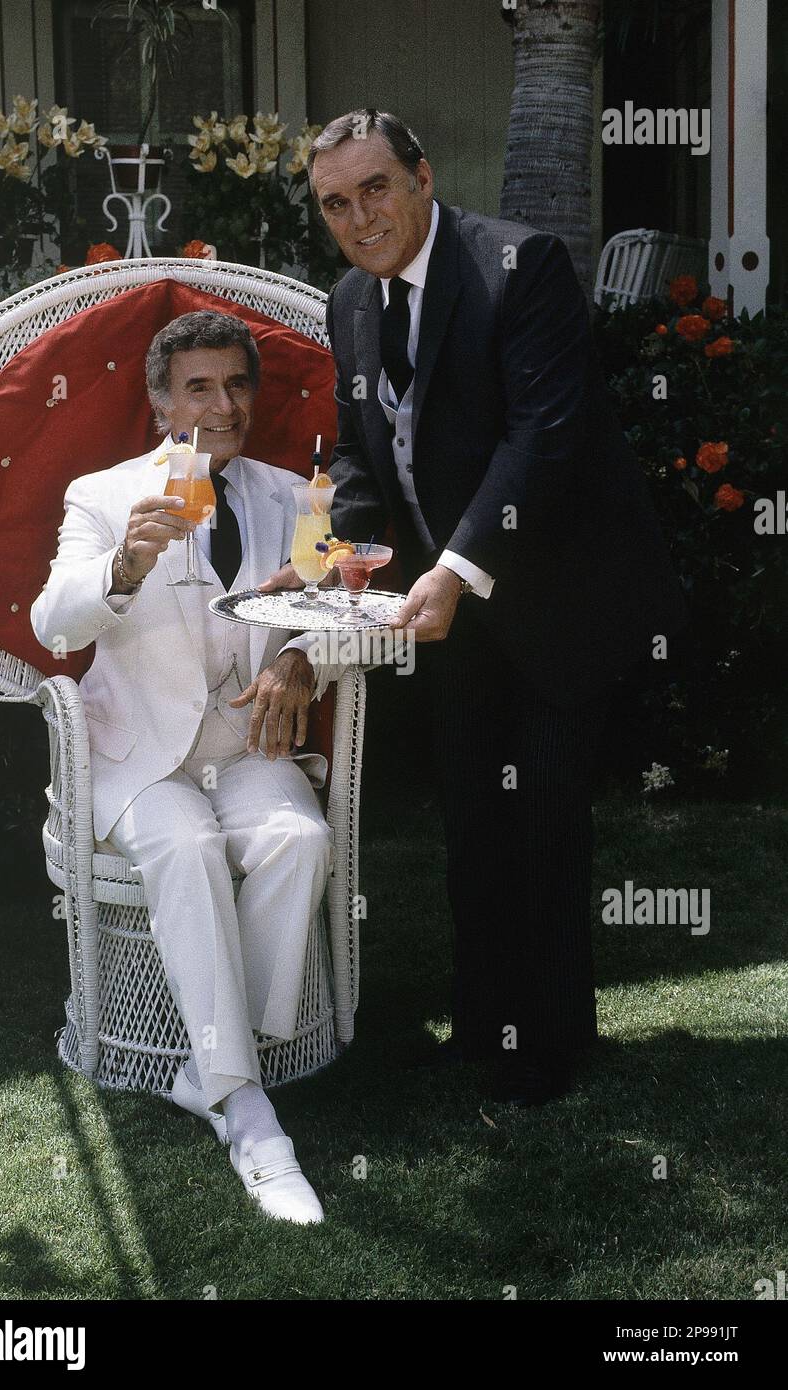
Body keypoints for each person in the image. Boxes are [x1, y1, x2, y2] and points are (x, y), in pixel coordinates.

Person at [281, 109, 689, 1105]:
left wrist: (456, 570)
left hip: (553, 593)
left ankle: (546, 1050)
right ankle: (481, 1031)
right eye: (335, 202)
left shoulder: (521, 263)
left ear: (420, 176)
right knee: (473, 818)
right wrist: (344, 560)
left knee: (543, 820)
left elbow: (541, 437)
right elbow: (363, 456)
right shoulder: (347, 302)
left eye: (374, 187)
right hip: (443, 609)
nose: (358, 216)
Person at [31, 310, 347, 1222]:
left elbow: (333, 611)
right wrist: (122, 568)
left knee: (296, 838)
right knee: (185, 848)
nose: (222, 404)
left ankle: (202, 1067)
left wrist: (301, 661)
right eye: (198, 387)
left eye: (237, 385)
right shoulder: (104, 496)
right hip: (144, 760)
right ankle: (250, 1115)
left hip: (244, 746)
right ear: (162, 400)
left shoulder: (297, 496)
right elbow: (54, 626)